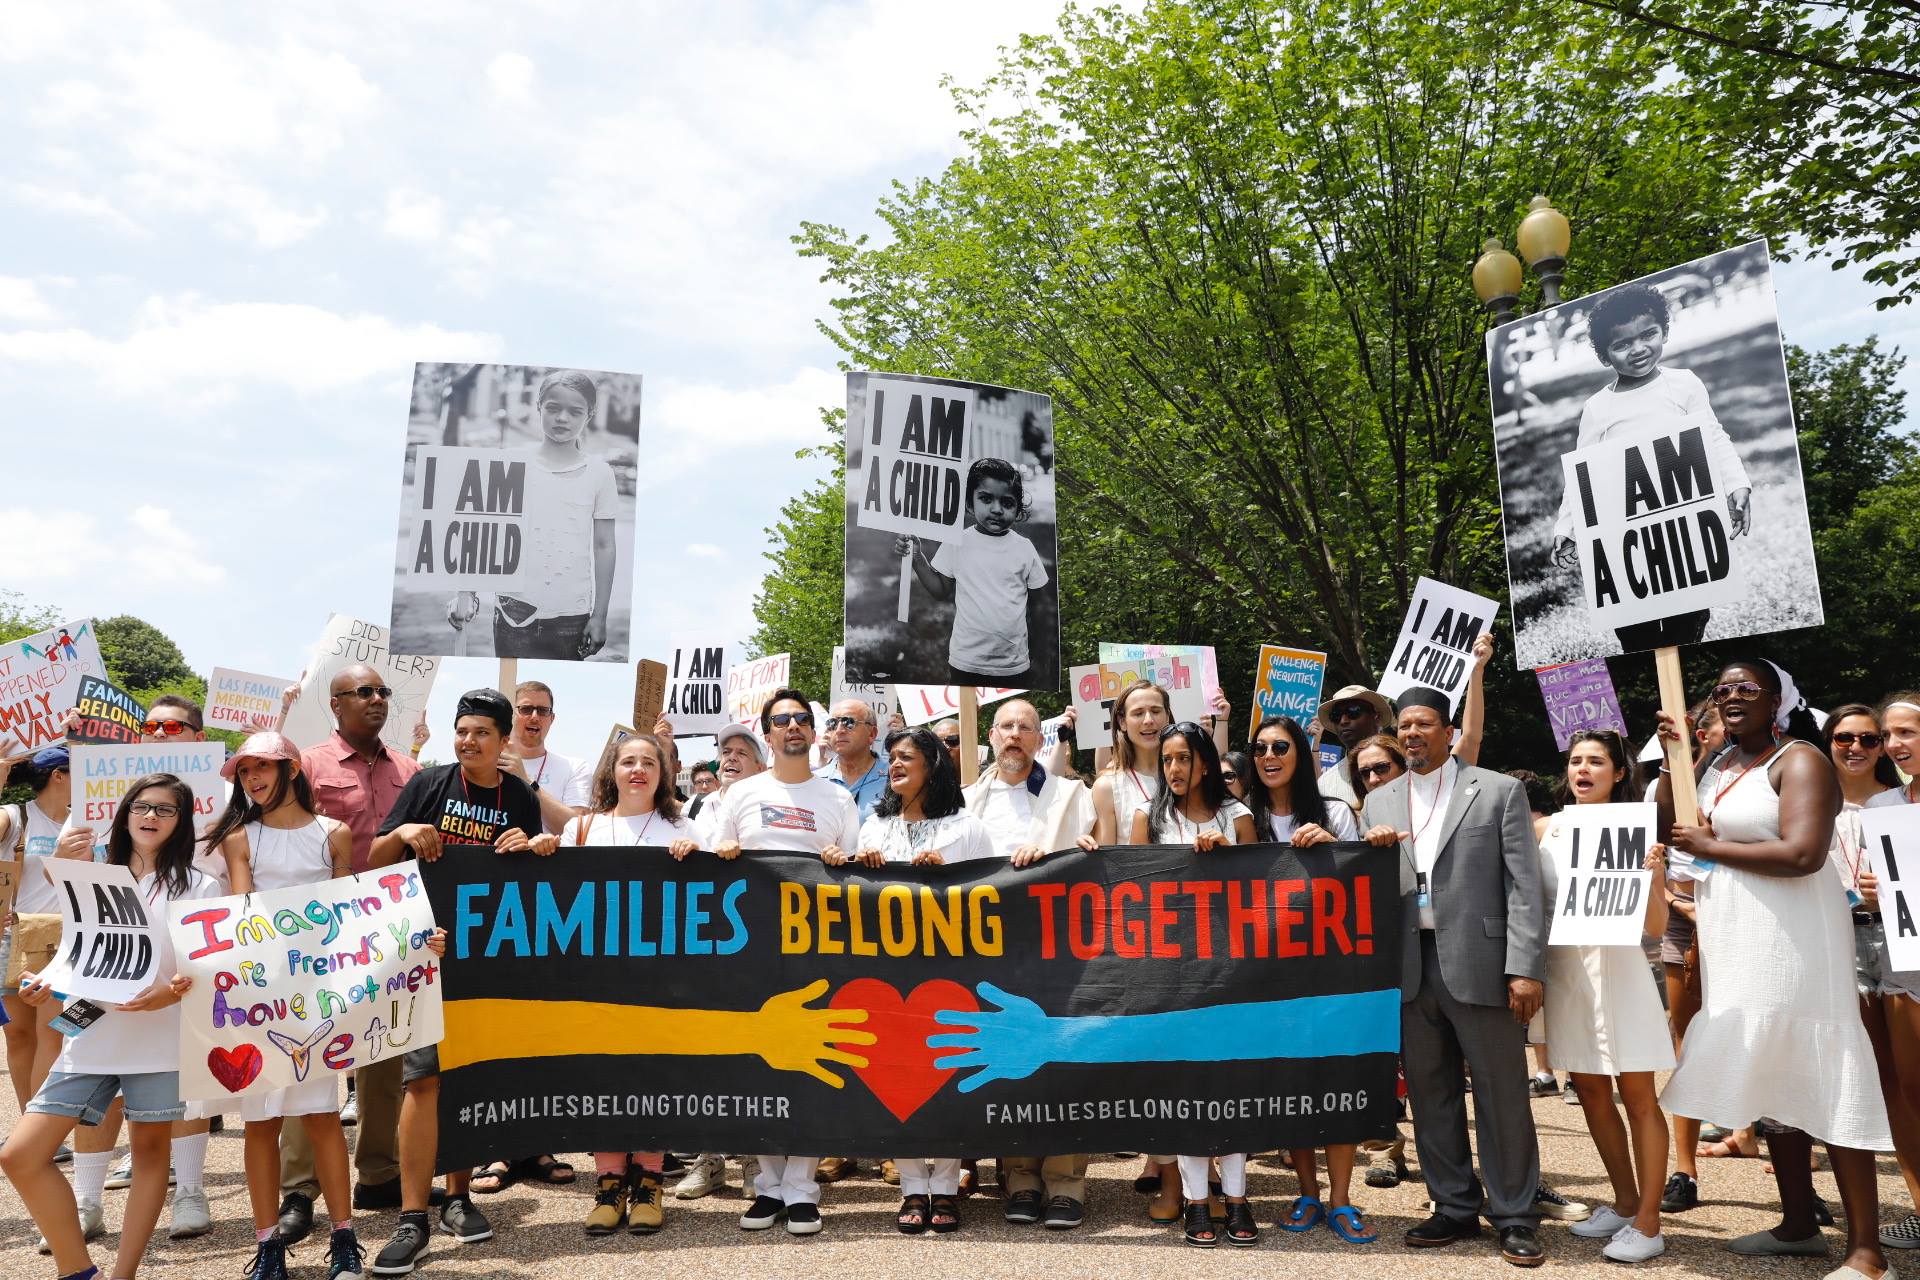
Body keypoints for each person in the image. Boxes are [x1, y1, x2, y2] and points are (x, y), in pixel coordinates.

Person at [1657, 661, 1891, 1278]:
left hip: (1796, 943)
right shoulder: (1720, 764)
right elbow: (1672, 827)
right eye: (1723, 690)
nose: (1732, 697)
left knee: (1824, 1076)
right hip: (1737, 939)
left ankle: (1866, 1251)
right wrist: (1671, 761)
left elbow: (1804, 853)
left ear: (1778, 700)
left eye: (1747, 688)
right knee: (1771, 1070)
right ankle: (1798, 1224)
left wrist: (1710, 848)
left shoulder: (1801, 760)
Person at [0, 773, 224, 1280]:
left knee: (149, 1155)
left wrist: (169, 993)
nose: (150, 817)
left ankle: (121, 1275)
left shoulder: (201, 884)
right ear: (124, 813)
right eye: (142, 806)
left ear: (182, 821)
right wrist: (46, 983)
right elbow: (80, 953)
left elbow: (205, 967)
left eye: (166, 810)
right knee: (20, 1155)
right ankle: (79, 1271)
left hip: (160, 1037)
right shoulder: (90, 873)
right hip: (91, 1032)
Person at [367, 689, 558, 1276]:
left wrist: (536, 846)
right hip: (426, 956)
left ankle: (459, 1197)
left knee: (470, 1077)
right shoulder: (427, 784)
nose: (469, 741)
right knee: (421, 1083)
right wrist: (402, 836)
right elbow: (373, 859)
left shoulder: (520, 796)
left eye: (481, 733)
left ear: (505, 742)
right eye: (462, 730)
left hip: (489, 963)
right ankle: (412, 1217)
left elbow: (531, 884)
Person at [1362, 685, 1549, 1267]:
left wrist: (1524, 968)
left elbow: (1525, 885)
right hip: (1410, 965)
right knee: (1430, 1093)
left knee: (1502, 1094)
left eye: (1423, 725)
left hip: (1482, 963)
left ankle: (1515, 1213)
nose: (1412, 735)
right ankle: (1453, 1206)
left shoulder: (1497, 790)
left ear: (1448, 731)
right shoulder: (1379, 801)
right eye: (1404, 728)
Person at [205, 732, 369, 1280]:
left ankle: (344, 1240)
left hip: (317, 998)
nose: (251, 778)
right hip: (261, 998)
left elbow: (352, 916)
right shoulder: (239, 837)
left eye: (262, 767)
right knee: (260, 1123)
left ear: (292, 769)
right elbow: (241, 915)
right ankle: (267, 1243)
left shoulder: (334, 834)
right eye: (244, 770)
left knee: (322, 1118)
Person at [281, 664, 423, 1244]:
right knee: (310, 1059)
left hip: (388, 930)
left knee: (386, 1060)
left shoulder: (411, 770)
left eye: (383, 691)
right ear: (335, 704)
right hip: (319, 934)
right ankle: (299, 1188)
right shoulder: (307, 767)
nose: (377, 700)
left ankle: (380, 1175)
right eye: (363, 692)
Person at [711, 689, 861, 1237]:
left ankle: (802, 1190)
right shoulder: (740, 793)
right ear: (767, 732)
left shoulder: (837, 796)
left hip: (814, 949)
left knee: (806, 1060)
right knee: (757, 1062)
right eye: (782, 720)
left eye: (802, 719)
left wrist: (842, 863)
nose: (793, 726)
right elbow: (711, 861)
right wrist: (723, 854)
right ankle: (766, 1187)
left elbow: (857, 875)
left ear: (812, 731)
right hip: (748, 949)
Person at [1239, 715, 1384, 1243]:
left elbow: (1364, 882)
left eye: (1280, 746)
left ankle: (1342, 1199)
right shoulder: (1243, 817)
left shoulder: (1337, 812)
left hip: (1331, 973)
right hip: (1268, 979)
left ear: (1300, 753)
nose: (1268, 755)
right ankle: (1308, 1193)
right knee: (1292, 1086)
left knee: (1336, 1083)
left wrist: (1333, 848)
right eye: (1259, 748)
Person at [1550, 283, 1753, 651]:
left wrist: (1737, 483)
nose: (1639, 349)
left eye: (1648, 335)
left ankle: (1679, 665)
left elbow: (1713, 435)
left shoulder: (1683, 384)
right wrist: (1568, 527)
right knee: (1634, 628)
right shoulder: (1599, 407)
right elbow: (1582, 474)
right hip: (1625, 534)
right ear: (1605, 355)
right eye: (1622, 344)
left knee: (1689, 614)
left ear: (1664, 331)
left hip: (1682, 528)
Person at [959, 697, 1097, 1229]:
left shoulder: (1071, 795)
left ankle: (1066, 1181)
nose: (1015, 735)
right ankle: (1018, 1177)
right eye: (1006, 727)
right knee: (1009, 1057)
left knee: (1062, 1058)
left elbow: (1097, 855)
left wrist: (1083, 851)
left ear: (1042, 738)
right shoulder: (966, 799)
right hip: (992, 950)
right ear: (991, 737)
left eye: (1026, 727)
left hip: (1060, 945)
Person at [1536, 731, 1674, 1263]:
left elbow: (1656, 926)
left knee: (1638, 1095)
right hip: (1567, 973)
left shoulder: (1637, 832)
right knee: (1590, 1091)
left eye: (1596, 761)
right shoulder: (1547, 829)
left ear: (1619, 772)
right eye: (1575, 761)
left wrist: (1655, 871)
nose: (1583, 769)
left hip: (1619, 971)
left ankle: (1650, 1221)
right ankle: (1623, 1201)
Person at [853, 725, 993, 1234]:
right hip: (889, 973)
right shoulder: (872, 827)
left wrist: (948, 879)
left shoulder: (967, 827)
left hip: (949, 973)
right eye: (891, 757)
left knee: (947, 1074)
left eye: (905, 756)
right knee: (900, 1073)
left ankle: (947, 1184)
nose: (894, 765)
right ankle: (914, 1186)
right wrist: (852, 865)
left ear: (933, 765)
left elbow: (993, 894)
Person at [561, 733, 701, 1238]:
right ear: (611, 771)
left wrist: (703, 852)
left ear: (663, 773)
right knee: (603, 1077)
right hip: (597, 980)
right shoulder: (582, 827)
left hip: (661, 979)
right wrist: (536, 850)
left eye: (649, 762)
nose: (638, 770)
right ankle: (608, 1182)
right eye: (628, 762)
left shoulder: (682, 826)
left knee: (652, 1076)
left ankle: (648, 1182)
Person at [1125, 723, 1257, 1247]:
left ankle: (1239, 1197)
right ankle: (1197, 1201)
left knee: (1232, 1087)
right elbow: (1131, 889)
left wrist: (1228, 861)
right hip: (1172, 976)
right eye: (1167, 761)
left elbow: (1264, 889)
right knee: (1185, 1088)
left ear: (1205, 762)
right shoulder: (1148, 818)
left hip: (1231, 973)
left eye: (1184, 759)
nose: (1174, 770)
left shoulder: (1238, 817)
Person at [1825, 704, 1920, 1249]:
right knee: (1899, 1083)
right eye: (1849, 736)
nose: (1869, 744)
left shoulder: (1886, 804)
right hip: (1862, 945)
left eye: (1880, 736)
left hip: (1897, 940)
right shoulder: (1886, 804)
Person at [446, 370, 620, 659]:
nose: (562, 418)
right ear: (539, 407)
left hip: (572, 613)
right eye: (553, 408)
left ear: (589, 415)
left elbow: (604, 545)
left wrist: (599, 615)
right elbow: (485, 530)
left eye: (575, 412)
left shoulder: (600, 473)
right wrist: (467, 594)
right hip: (513, 610)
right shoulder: (510, 463)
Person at [1659, 699, 1730, 1210]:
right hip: (1687, 930)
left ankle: (1798, 1184)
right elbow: (1661, 862)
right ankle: (1684, 1170)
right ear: (1699, 734)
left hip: (1744, 923)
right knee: (1687, 1043)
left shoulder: (1765, 776)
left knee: (1761, 1034)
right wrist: (1685, 908)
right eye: (1715, 729)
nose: (1723, 736)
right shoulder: (1674, 786)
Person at [895, 456, 1050, 686]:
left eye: (1007, 503)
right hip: (966, 660)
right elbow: (940, 590)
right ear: (969, 504)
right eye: (986, 499)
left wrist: (1042, 655)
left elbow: (1039, 607)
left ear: (1018, 509)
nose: (997, 509)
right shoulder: (957, 542)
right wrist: (917, 558)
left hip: (1013, 664)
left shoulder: (1024, 549)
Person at [1, 748, 78, 1116]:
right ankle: (30, 1118)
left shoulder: (84, 821)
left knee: (54, 1031)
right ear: (58, 776)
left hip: (67, 938)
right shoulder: (15, 817)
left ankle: (43, 1127)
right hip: (13, 936)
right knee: (17, 1035)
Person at [498, 680, 591, 835]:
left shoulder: (575, 767)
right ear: (510, 715)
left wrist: (527, 782)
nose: (534, 717)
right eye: (526, 709)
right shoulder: (489, 763)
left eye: (542, 711)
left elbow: (578, 832)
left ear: (552, 718)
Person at [1090, 682, 1172, 845]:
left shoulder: (1190, 776)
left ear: (1167, 716)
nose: (1148, 720)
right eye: (1138, 713)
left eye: (1155, 711)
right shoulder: (1108, 787)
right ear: (1122, 722)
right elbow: (1107, 860)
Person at [1317, 686, 1395, 810]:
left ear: (1376, 715)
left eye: (1353, 711)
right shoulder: (1325, 784)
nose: (1343, 721)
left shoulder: (1408, 768)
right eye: (1336, 716)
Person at [817, 698, 888, 818]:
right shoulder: (815, 780)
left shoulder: (894, 778)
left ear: (872, 734)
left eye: (849, 722)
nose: (839, 730)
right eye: (832, 723)